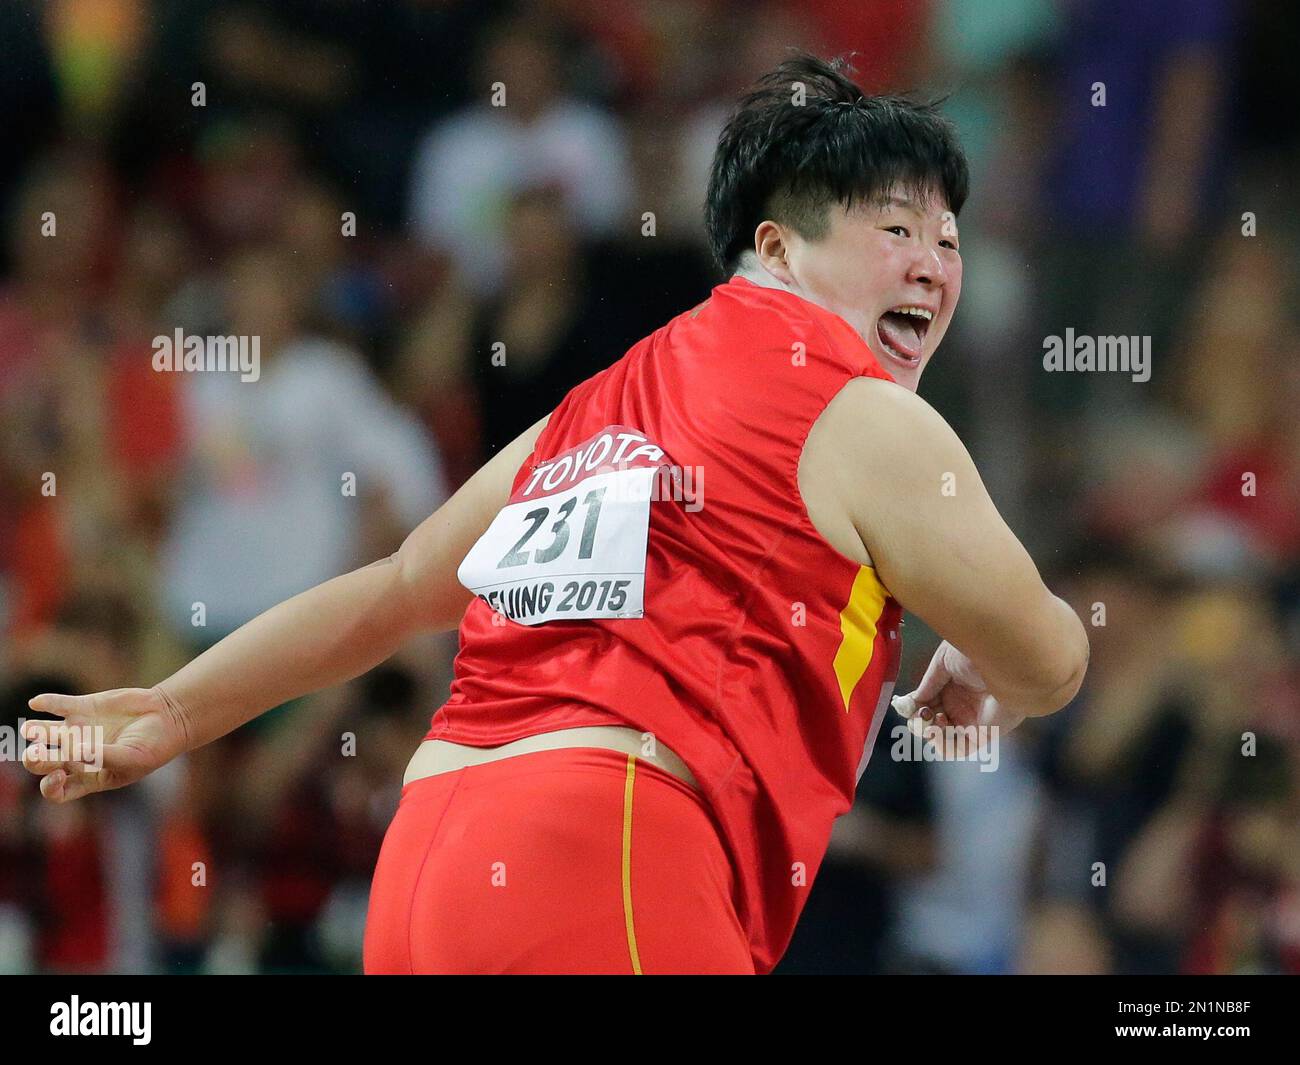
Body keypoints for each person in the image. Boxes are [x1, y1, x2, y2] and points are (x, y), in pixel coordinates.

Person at [21, 55, 1089, 975]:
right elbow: (1050, 658)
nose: (930, 267)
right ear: (775, 249)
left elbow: (396, 591)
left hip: (430, 858)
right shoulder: (862, 414)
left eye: (948, 243)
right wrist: (987, 664)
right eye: (895, 228)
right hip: (610, 848)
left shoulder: (590, 411)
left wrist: (173, 712)